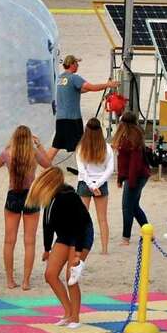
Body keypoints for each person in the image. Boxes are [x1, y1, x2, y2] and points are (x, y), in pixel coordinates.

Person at [28, 166, 91, 329]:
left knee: (71, 277)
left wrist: (78, 253)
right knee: (50, 274)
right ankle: (68, 312)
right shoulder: (50, 198)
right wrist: (47, 249)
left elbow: (80, 224)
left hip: (81, 235)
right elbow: (47, 224)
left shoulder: (69, 197)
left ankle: (75, 317)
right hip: (64, 235)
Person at [0, 124, 49, 290]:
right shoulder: (33, 153)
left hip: (13, 195)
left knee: (9, 240)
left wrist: (8, 146)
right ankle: (26, 281)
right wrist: (39, 145)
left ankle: (10, 280)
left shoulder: (8, 153)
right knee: (29, 241)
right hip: (31, 195)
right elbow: (48, 164)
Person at [42, 55, 116, 166]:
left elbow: (79, 90)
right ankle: (86, 168)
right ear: (72, 64)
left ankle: (44, 167)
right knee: (81, 145)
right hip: (72, 119)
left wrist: (100, 87)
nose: (78, 66)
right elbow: (91, 87)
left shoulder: (60, 79)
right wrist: (108, 85)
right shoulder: (74, 78)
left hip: (60, 118)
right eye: (76, 64)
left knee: (56, 145)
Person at [76, 117, 115, 259]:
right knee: (102, 218)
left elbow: (82, 170)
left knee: (81, 218)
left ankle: (79, 246)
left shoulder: (81, 147)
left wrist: (91, 185)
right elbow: (110, 170)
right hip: (100, 184)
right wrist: (97, 185)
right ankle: (104, 249)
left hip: (85, 184)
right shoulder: (107, 148)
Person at [113, 112, 152, 245]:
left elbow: (134, 163)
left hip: (136, 176)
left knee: (127, 207)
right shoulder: (131, 136)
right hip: (136, 176)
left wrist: (131, 181)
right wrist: (120, 178)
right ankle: (148, 232)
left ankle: (126, 237)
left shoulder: (132, 138)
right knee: (133, 206)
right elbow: (124, 162)